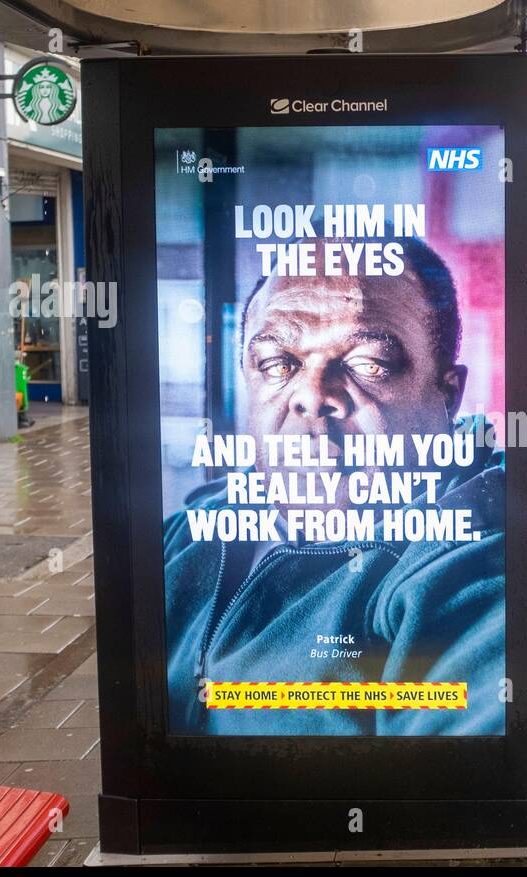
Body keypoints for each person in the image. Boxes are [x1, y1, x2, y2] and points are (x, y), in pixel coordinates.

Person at [163, 235, 505, 736]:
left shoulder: (471, 566)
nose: (312, 395)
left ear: (447, 396)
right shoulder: (191, 531)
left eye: (370, 364)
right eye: (279, 364)